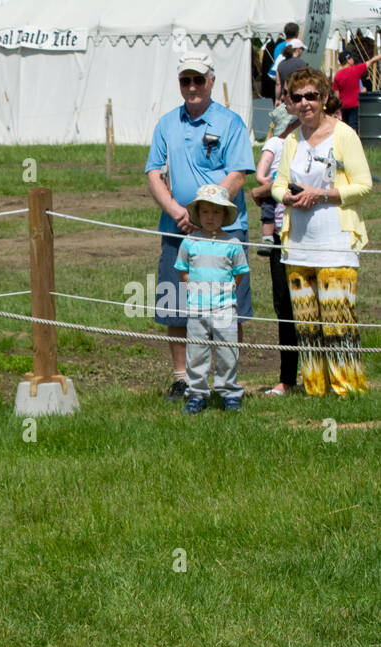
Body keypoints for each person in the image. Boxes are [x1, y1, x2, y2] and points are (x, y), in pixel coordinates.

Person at [146, 51, 253, 400]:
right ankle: (183, 380)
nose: (191, 87)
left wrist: (210, 211)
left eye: (197, 79)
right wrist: (178, 210)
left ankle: (226, 381)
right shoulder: (166, 124)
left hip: (225, 230)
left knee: (228, 306)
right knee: (176, 302)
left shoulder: (231, 122)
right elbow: (154, 173)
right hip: (177, 226)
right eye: (184, 80)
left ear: (210, 81)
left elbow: (238, 173)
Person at [272, 68, 373, 398]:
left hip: (336, 243)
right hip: (298, 246)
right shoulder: (291, 139)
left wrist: (321, 195)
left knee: (337, 322)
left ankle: (347, 391)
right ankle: (316, 390)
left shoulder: (344, 135)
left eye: (311, 96)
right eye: (297, 97)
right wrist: (286, 197)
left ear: (324, 97)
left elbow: (364, 185)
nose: (304, 103)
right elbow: (277, 184)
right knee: (307, 326)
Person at [175, 185, 249, 414]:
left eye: (216, 212)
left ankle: (229, 393)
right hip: (197, 308)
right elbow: (183, 269)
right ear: (198, 214)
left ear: (225, 216)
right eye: (205, 212)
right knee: (196, 353)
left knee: (228, 352)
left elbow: (239, 273)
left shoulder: (233, 244)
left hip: (225, 307)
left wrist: (224, 293)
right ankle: (197, 394)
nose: (210, 217)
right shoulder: (189, 242)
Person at [250, 110, 300, 396]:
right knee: (284, 304)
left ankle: (324, 375)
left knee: (315, 307)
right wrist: (268, 189)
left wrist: (265, 190)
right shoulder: (279, 145)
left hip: (312, 235)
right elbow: (266, 184)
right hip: (282, 233)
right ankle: (287, 377)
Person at [331, 50, 381, 132]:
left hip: (343, 106)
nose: (353, 60)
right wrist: (379, 57)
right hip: (354, 105)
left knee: (344, 127)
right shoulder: (355, 70)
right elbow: (371, 61)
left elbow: (336, 94)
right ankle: (353, 143)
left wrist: (337, 109)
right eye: (351, 58)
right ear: (348, 60)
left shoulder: (337, 75)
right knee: (353, 127)